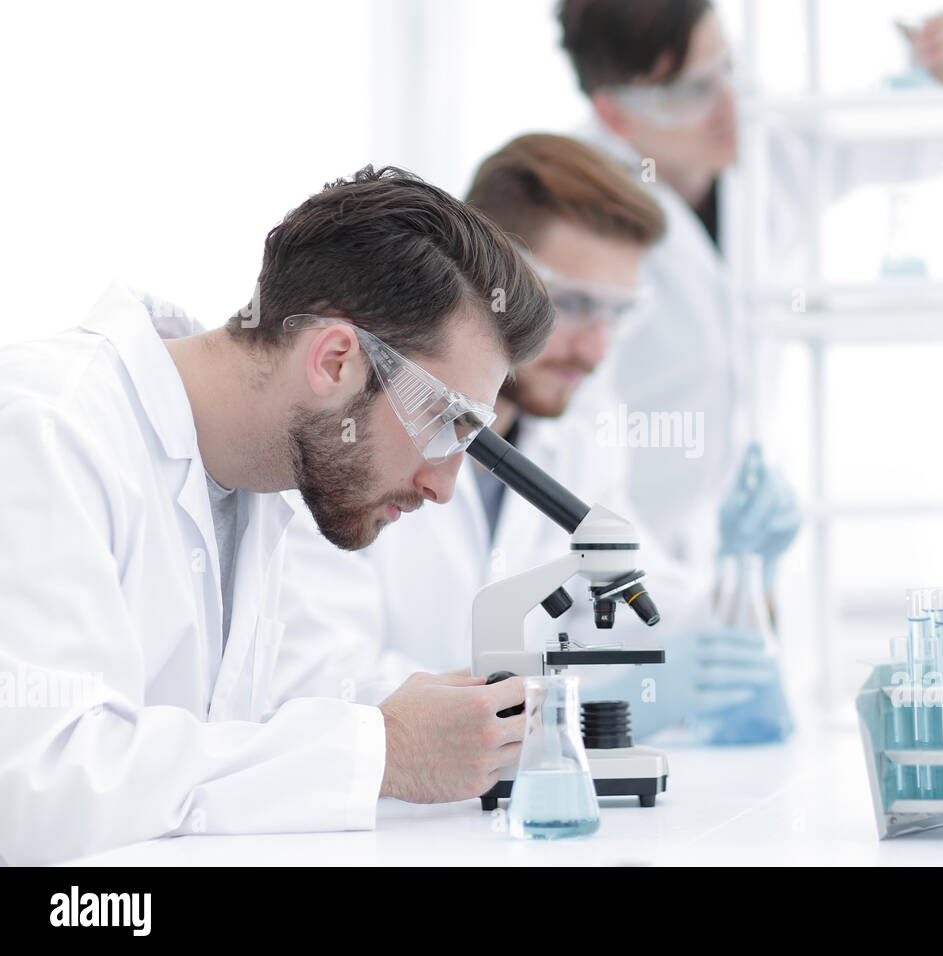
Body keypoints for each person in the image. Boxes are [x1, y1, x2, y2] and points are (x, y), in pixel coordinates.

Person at [0, 165, 554, 866]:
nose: (446, 486)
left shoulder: (261, 483)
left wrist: (425, 723)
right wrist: (384, 750)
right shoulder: (48, 428)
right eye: (445, 422)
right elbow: (39, 785)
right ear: (333, 362)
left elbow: (237, 743)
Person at [273, 134, 781, 738]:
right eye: (572, 303)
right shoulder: (341, 433)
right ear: (487, 276)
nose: (596, 349)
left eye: (619, 312)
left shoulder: (581, 424)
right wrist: (563, 716)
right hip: (390, 820)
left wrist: (747, 575)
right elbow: (328, 687)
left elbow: (630, 609)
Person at [558, 1, 943, 582]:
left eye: (727, 69)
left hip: (750, 545)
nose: (730, 105)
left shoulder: (775, 147)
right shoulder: (562, 203)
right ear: (613, 113)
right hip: (616, 550)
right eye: (691, 92)